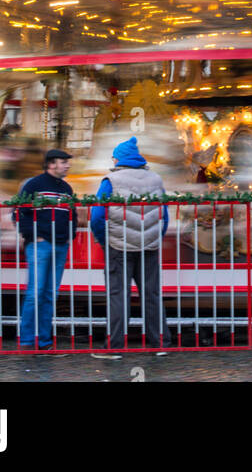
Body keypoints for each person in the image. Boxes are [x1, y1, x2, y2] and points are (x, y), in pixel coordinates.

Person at [89, 137, 169, 358]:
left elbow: (97, 216)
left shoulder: (111, 181)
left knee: (118, 295)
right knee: (151, 294)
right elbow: (165, 215)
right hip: (149, 248)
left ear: (118, 158)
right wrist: (155, 237)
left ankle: (114, 346)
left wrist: (103, 239)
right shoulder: (155, 179)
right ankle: (160, 343)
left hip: (118, 246)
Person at [16, 148, 76, 353]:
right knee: (35, 292)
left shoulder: (67, 189)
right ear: (51, 164)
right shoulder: (34, 185)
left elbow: (72, 215)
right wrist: (33, 236)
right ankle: (26, 340)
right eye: (63, 161)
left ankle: (43, 340)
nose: (67, 165)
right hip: (40, 244)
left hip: (60, 245)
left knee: (50, 294)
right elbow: (20, 212)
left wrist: (70, 235)